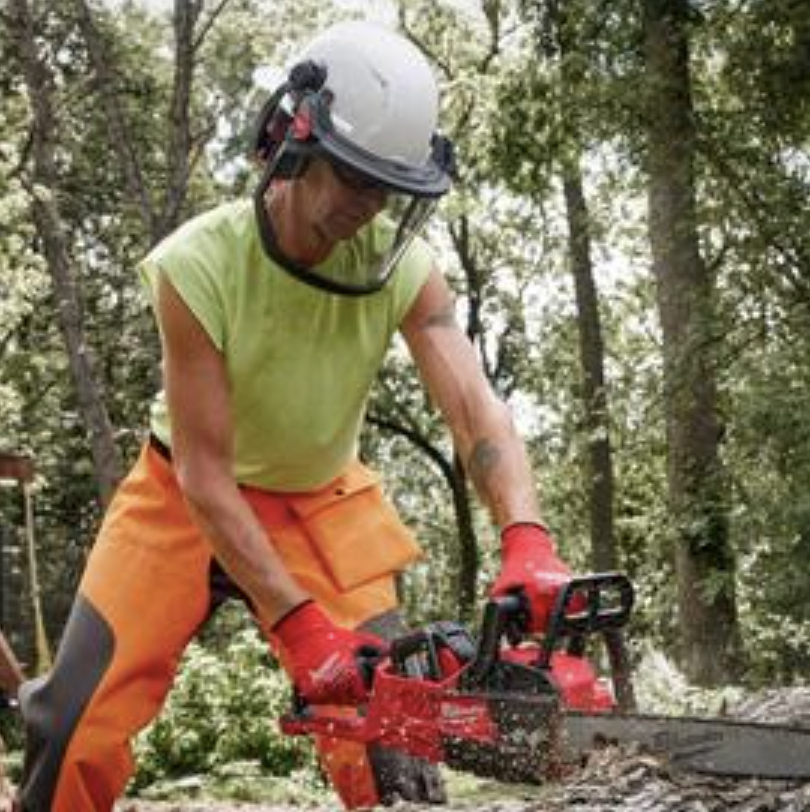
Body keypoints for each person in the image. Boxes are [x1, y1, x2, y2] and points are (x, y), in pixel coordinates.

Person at [16, 19, 577, 812]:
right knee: (73, 722)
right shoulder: (197, 265)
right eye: (355, 180)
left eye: (388, 188)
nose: (369, 205)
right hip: (181, 494)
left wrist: (527, 537)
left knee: (393, 736)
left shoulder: (406, 273)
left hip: (320, 499)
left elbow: (478, 412)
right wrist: (300, 625)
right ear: (296, 145)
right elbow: (208, 480)